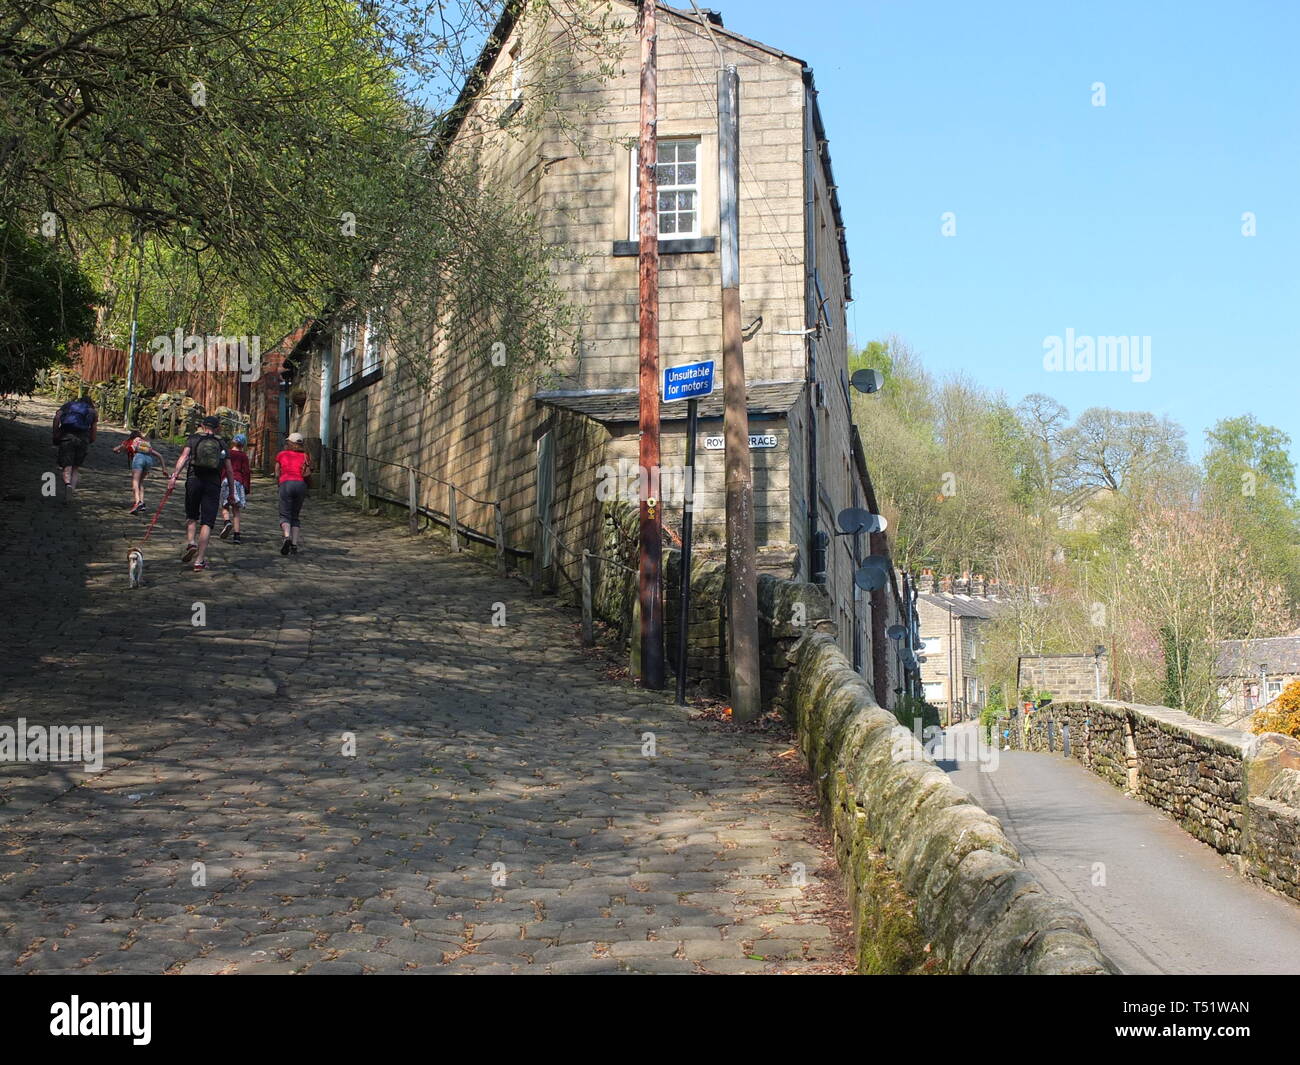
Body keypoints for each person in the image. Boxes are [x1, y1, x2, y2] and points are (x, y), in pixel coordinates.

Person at [168, 416, 236, 572]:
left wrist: (174, 476)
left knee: (191, 515)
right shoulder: (221, 443)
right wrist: (231, 493)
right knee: (207, 521)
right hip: (213, 484)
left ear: (202, 426)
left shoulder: (193, 439)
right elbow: (230, 470)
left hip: (194, 480)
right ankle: (199, 560)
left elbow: (184, 457)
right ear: (218, 428)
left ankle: (191, 542)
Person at [52, 394, 98, 501]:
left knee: (67, 466)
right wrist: (91, 440)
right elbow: (94, 429)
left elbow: (57, 417)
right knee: (75, 467)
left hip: (67, 436)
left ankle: (67, 484)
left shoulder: (68, 406)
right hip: (83, 438)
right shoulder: (92, 412)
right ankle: (71, 491)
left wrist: (55, 433)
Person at [273, 432, 311, 556]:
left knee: (285, 514)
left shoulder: (282, 454)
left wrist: (278, 482)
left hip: (286, 483)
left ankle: (286, 537)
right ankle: (294, 545)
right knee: (295, 516)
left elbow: (277, 472)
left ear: (289, 443)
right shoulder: (306, 456)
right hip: (301, 485)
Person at [112, 430, 165, 514]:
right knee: (140, 483)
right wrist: (164, 470)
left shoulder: (129, 441)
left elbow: (115, 449)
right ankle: (142, 503)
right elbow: (160, 456)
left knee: (135, 482)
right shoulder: (144, 443)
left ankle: (137, 503)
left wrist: (119, 450)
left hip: (138, 459)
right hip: (148, 460)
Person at [219, 433, 252, 543]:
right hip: (238, 481)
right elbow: (246, 472)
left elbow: (220, 467)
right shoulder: (243, 456)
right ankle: (237, 536)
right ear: (243, 445)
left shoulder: (225, 453)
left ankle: (227, 522)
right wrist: (247, 486)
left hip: (225, 481)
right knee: (236, 509)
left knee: (224, 505)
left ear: (233, 442)